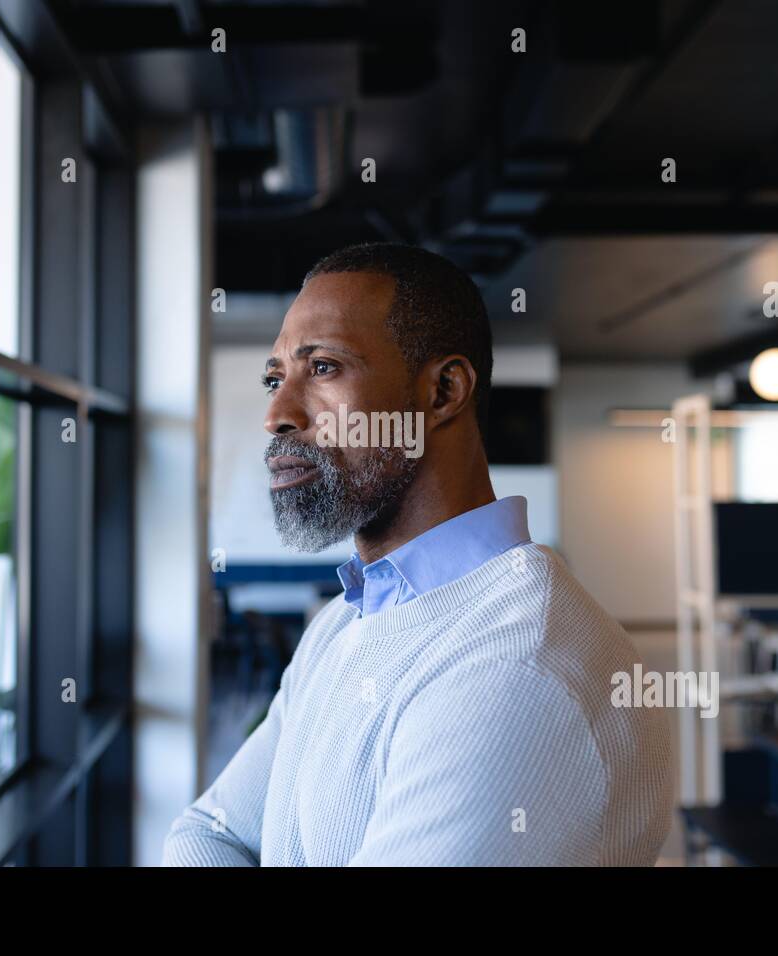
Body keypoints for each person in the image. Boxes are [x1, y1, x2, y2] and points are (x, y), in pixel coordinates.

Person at [163, 243, 673, 866]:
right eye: (276, 379)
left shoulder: (515, 665)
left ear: (443, 391)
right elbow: (206, 832)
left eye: (322, 368)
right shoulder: (344, 622)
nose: (277, 414)